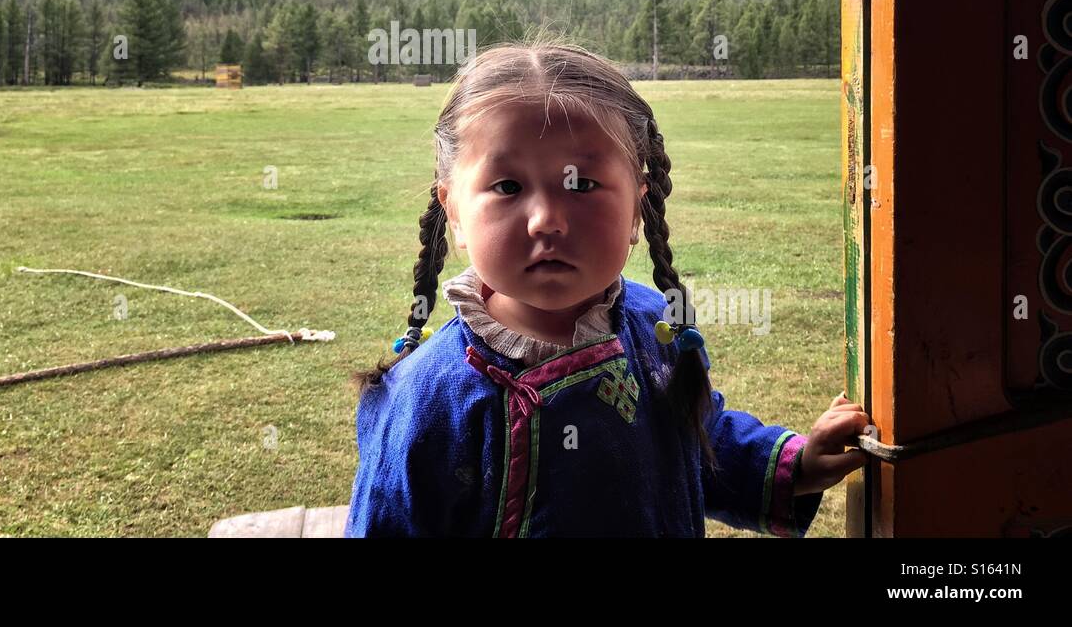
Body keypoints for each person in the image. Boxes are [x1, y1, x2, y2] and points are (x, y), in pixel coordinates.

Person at [345, 36, 869, 538]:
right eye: (508, 186)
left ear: (637, 206)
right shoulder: (425, 400)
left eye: (582, 184)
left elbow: (697, 443)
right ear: (454, 210)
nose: (547, 220)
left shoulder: (655, 324)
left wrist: (796, 466)